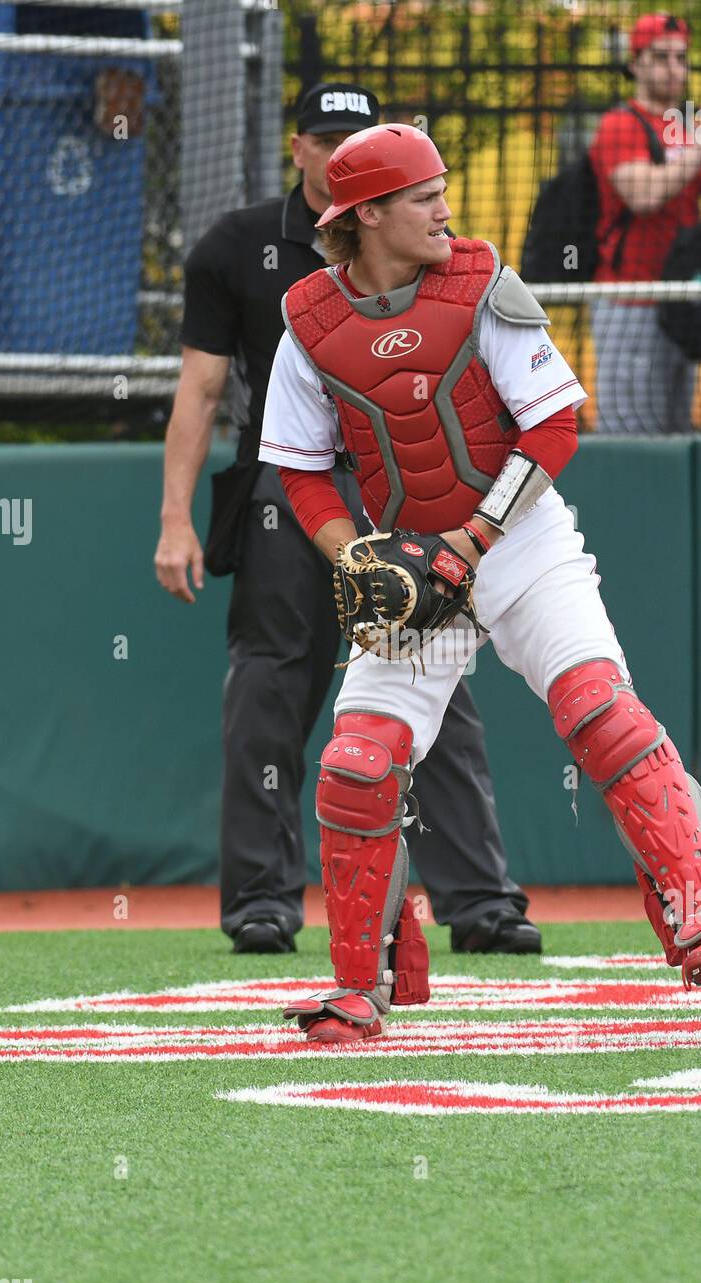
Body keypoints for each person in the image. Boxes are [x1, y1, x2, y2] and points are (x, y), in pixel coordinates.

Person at [258, 123, 701, 1044]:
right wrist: (356, 560)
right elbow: (298, 472)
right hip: (410, 564)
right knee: (356, 764)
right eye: (421, 196)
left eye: (441, 189)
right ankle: (358, 982)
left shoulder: (481, 283)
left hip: (519, 542)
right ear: (365, 214)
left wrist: (474, 535)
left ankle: (696, 915)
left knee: (597, 709)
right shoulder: (306, 320)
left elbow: (555, 427)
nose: (443, 209)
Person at [154, 84, 539, 957]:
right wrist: (174, 518)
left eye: (355, 139)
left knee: (436, 678)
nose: (338, 154)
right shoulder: (239, 245)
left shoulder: (422, 240)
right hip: (289, 491)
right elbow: (201, 389)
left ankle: (479, 901)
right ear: (297, 148)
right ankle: (261, 900)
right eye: (325, 139)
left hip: (406, 491)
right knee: (271, 684)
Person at [588, 12, 701, 434]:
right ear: (635, 63)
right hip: (630, 300)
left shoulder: (688, 129)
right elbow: (645, 194)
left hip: (679, 300)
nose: (675, 68)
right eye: (662, 57)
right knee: (632, 431)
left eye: (681, 58)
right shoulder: (619, 124)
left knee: (676, 428)